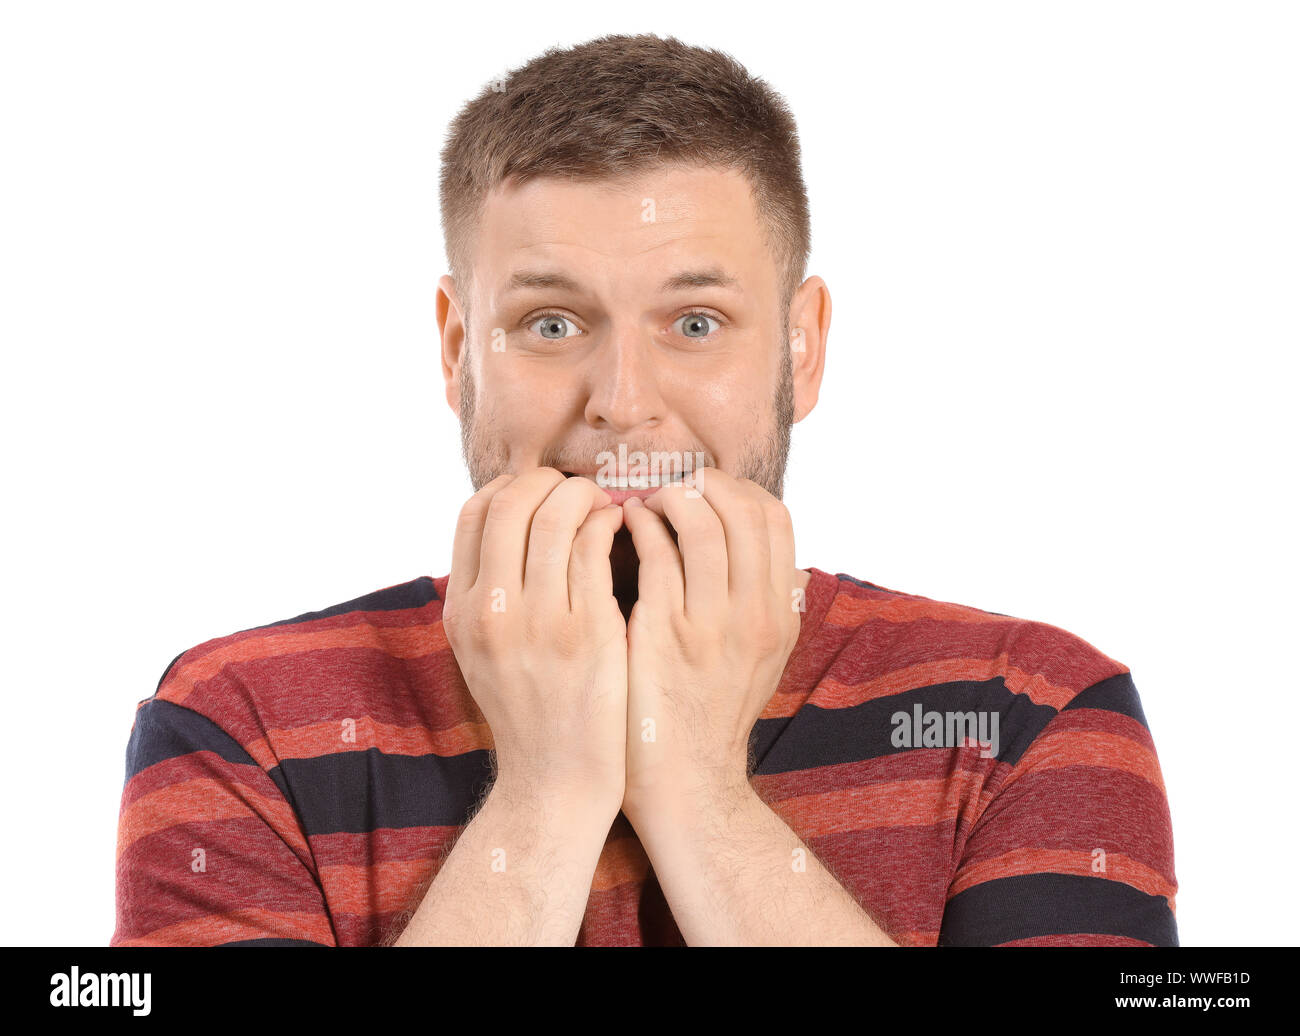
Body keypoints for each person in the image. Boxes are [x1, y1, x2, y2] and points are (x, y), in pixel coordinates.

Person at [111, 33, 1177, 947]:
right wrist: (546, 795)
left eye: (695, 322)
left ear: (802, 350)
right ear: (457, 351)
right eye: (551, 323)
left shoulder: (1028, 713)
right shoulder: (238, 723)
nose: (622, 405)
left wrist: (699, 790)